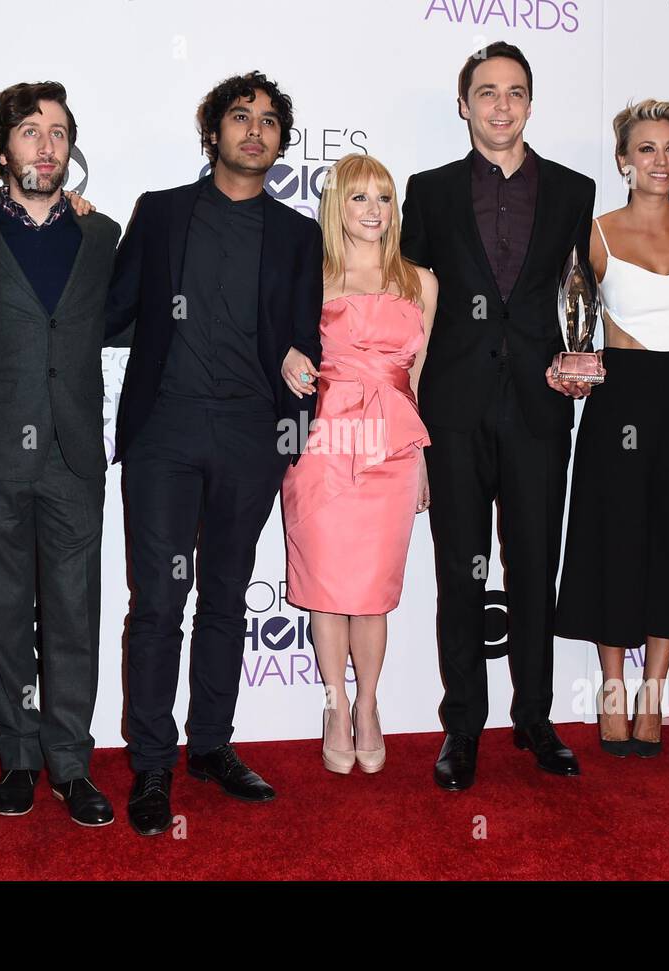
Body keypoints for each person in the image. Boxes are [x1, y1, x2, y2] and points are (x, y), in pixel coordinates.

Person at [108, 71, 323, 835]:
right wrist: (75, 230)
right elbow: (110, 308)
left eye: (269, 121)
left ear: (280, 142)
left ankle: (210, 746)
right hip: (164, 434)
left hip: (250, 437)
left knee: (227, 598)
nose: (255, 130)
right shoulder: (162, 214)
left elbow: (306, 343)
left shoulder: (299, 233)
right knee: (161, 602)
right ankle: (153, 764)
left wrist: (291, 437)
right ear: (214, 131)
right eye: (241, 116)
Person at [401, 42, 595, 790]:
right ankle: (463, 729)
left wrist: (579, 363)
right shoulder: (429, 191)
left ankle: (537, 720)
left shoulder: (576, 191)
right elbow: (411, 304)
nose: (502, 105)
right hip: (451, 411)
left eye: (515, 92)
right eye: (487, 92)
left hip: (542, 408)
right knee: (461, 572)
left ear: (530, 104)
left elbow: (578, 299)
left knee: (534, 569)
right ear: (465, 105)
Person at [0, 81, 121, 827]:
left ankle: (71, 762)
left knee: (74, 612)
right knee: (2, 610)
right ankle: (15, 755)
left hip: (75, 451)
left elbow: (137, 317)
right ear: (1, 146)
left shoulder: (100, 235)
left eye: (60, 132)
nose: (48, 145)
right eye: (32, 131)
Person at [556, 100, 669, 758]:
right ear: (624, 160)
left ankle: (655, 691)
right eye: (647, 149)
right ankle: (612, 687)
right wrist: (570, 364)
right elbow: (569, 320)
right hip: (619, 401)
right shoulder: (595, 234)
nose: (662, 160)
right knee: (615, 538)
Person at [282, 154, 436, 774]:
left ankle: (368, 706)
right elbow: (281, 348)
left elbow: (416, 379)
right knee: (327, 587)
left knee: (371, 592)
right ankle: (333, 700)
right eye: (359, 198)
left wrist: (421, 459)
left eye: (383, 197)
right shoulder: (310, 277)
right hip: (324, 444)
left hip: (393, 450)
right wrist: (287, 360)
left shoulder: (420, 281)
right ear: (337, 206)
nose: (373, 210)